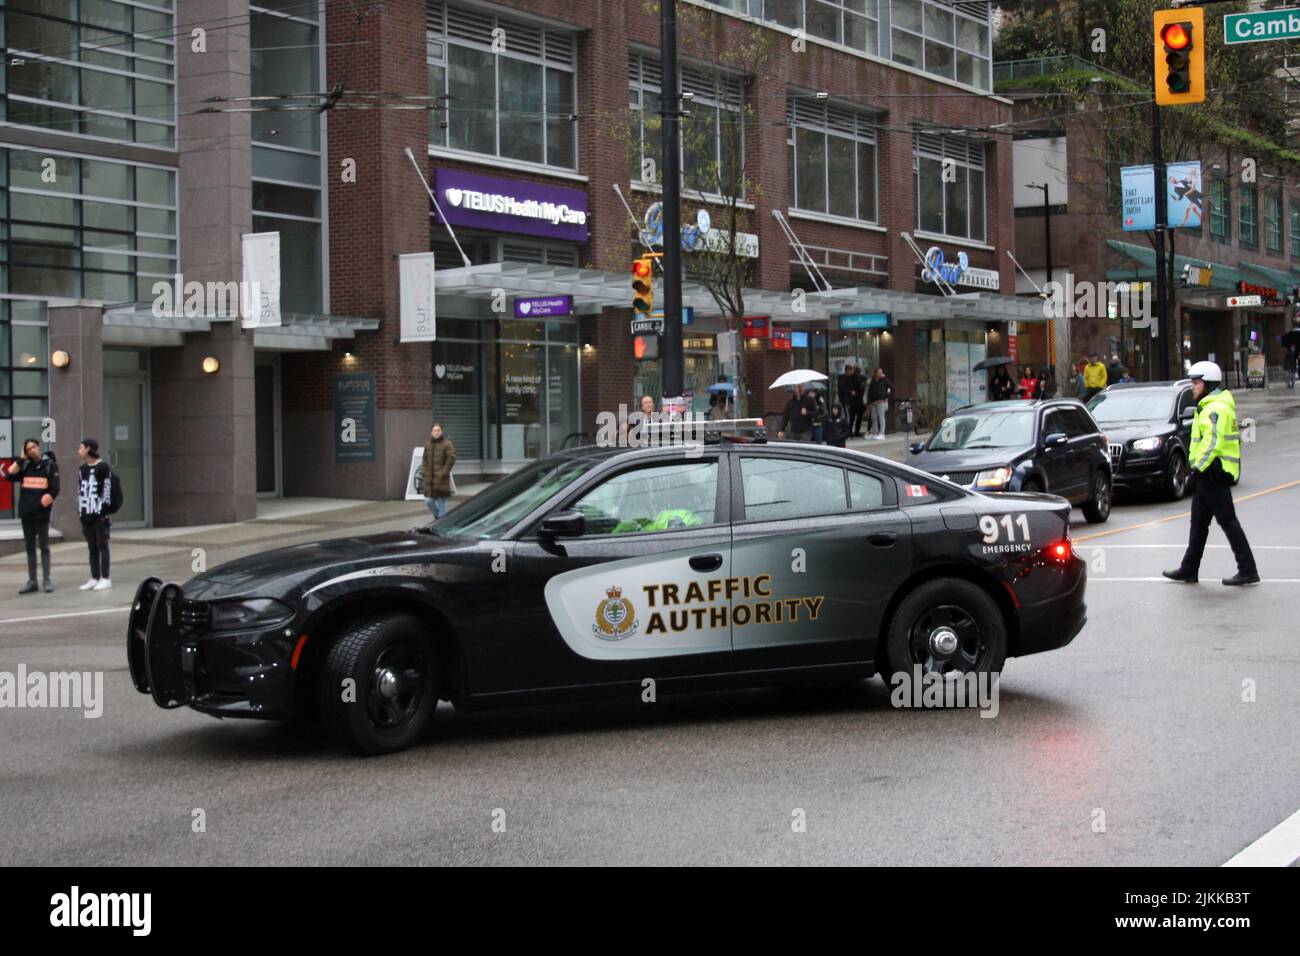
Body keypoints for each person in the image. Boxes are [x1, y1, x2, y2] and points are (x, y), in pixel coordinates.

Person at [1162, 361, 1259, 587]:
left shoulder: (1216, 409)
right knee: (1198, 523)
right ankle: (1189, 568)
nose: (1193, 387)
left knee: (1227, 521)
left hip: (1213, 473)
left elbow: (1211, 444)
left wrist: (1196, 471)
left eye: (1196, 383)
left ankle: (1248, 569)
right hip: (1207, 474)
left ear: (1208, 384)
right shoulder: (1208, 406)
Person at [6, 438, 59, 594]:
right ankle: (32, 580)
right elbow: (9, 476)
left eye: (34, 447)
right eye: (28, 449)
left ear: (39, 447)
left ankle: (47, 580)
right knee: (30, 548)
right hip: (26, 514)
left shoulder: (49, 465)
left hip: (41, 515)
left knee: (44, 547)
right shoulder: (25, 465)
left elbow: (55, 489)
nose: (32, 450)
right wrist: (21, 459)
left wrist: (46, 500)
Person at [76, 439, 112, 591]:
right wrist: (80, 510)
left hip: (99, 514)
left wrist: (103, 511)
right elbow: (79, 490)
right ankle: (94, 577)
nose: (79, 450)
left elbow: (107, 490)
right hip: (86, 513)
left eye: (81, 447)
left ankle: (105, 577)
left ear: (88, 449)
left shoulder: (103, 467)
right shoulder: (82, 469)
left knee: (102, 545)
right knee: (92, 547)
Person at [421, 423, 457, 518]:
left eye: (438, 430)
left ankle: (441, 521)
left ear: (442, 432)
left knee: (442, 503)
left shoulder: (447, 444)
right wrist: (424, 471)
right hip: (430, 480)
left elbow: (451, 459)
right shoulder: (428, 444)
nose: (436, 432)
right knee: (428, 501)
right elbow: (424, 459)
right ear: (431, 432)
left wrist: (444, 472)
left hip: (441, 479)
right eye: (434, 430)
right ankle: (439, 519)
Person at [866, 367, 892, 439]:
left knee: (881, 417)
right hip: (873, 402)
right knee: (873, 417)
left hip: (881, 401)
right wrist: (869, 402)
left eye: (881, 372)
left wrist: (885, 397)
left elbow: (891, 387)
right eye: (879, 372)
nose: (881, 373)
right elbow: (870, 391)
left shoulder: (884, 380)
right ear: (876, 373)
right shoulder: (872, 380)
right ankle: (875, 432)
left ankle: (882, 433)